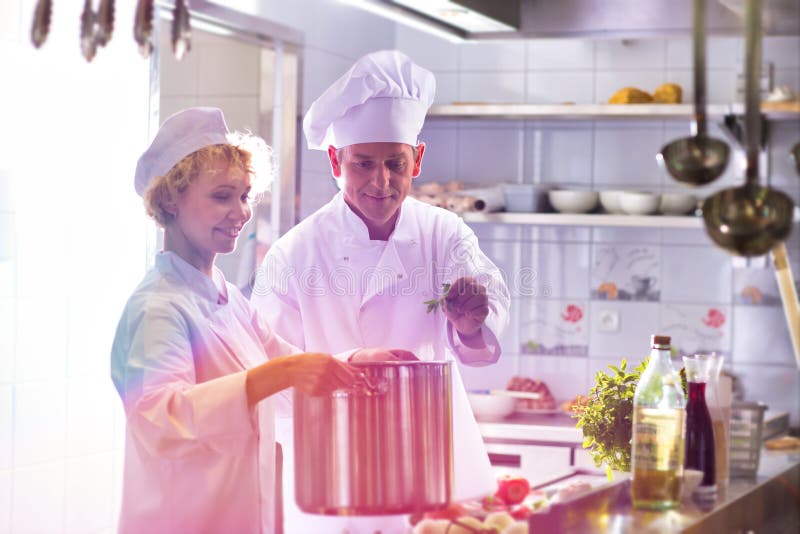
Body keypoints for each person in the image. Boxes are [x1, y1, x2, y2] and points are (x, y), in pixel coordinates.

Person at [252, 50, 511, 533]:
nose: (381, 181)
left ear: (418, 158)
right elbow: (268, 379)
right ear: (335, 159)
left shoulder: (444, 234)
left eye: (396, 163)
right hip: (336, 474)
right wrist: (348, 364)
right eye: (363, 164)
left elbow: (485, 326)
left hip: (433, 461)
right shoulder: (294, 254)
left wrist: (474, 326)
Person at [111, 107, 392, 533]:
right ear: (170, 199)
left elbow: (289, 364)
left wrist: (356, 361)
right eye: (222, 196)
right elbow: (159, 418)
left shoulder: (225, 297)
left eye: (244, 195)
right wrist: (281, 373)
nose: (240, 212)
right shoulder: (159, 307)